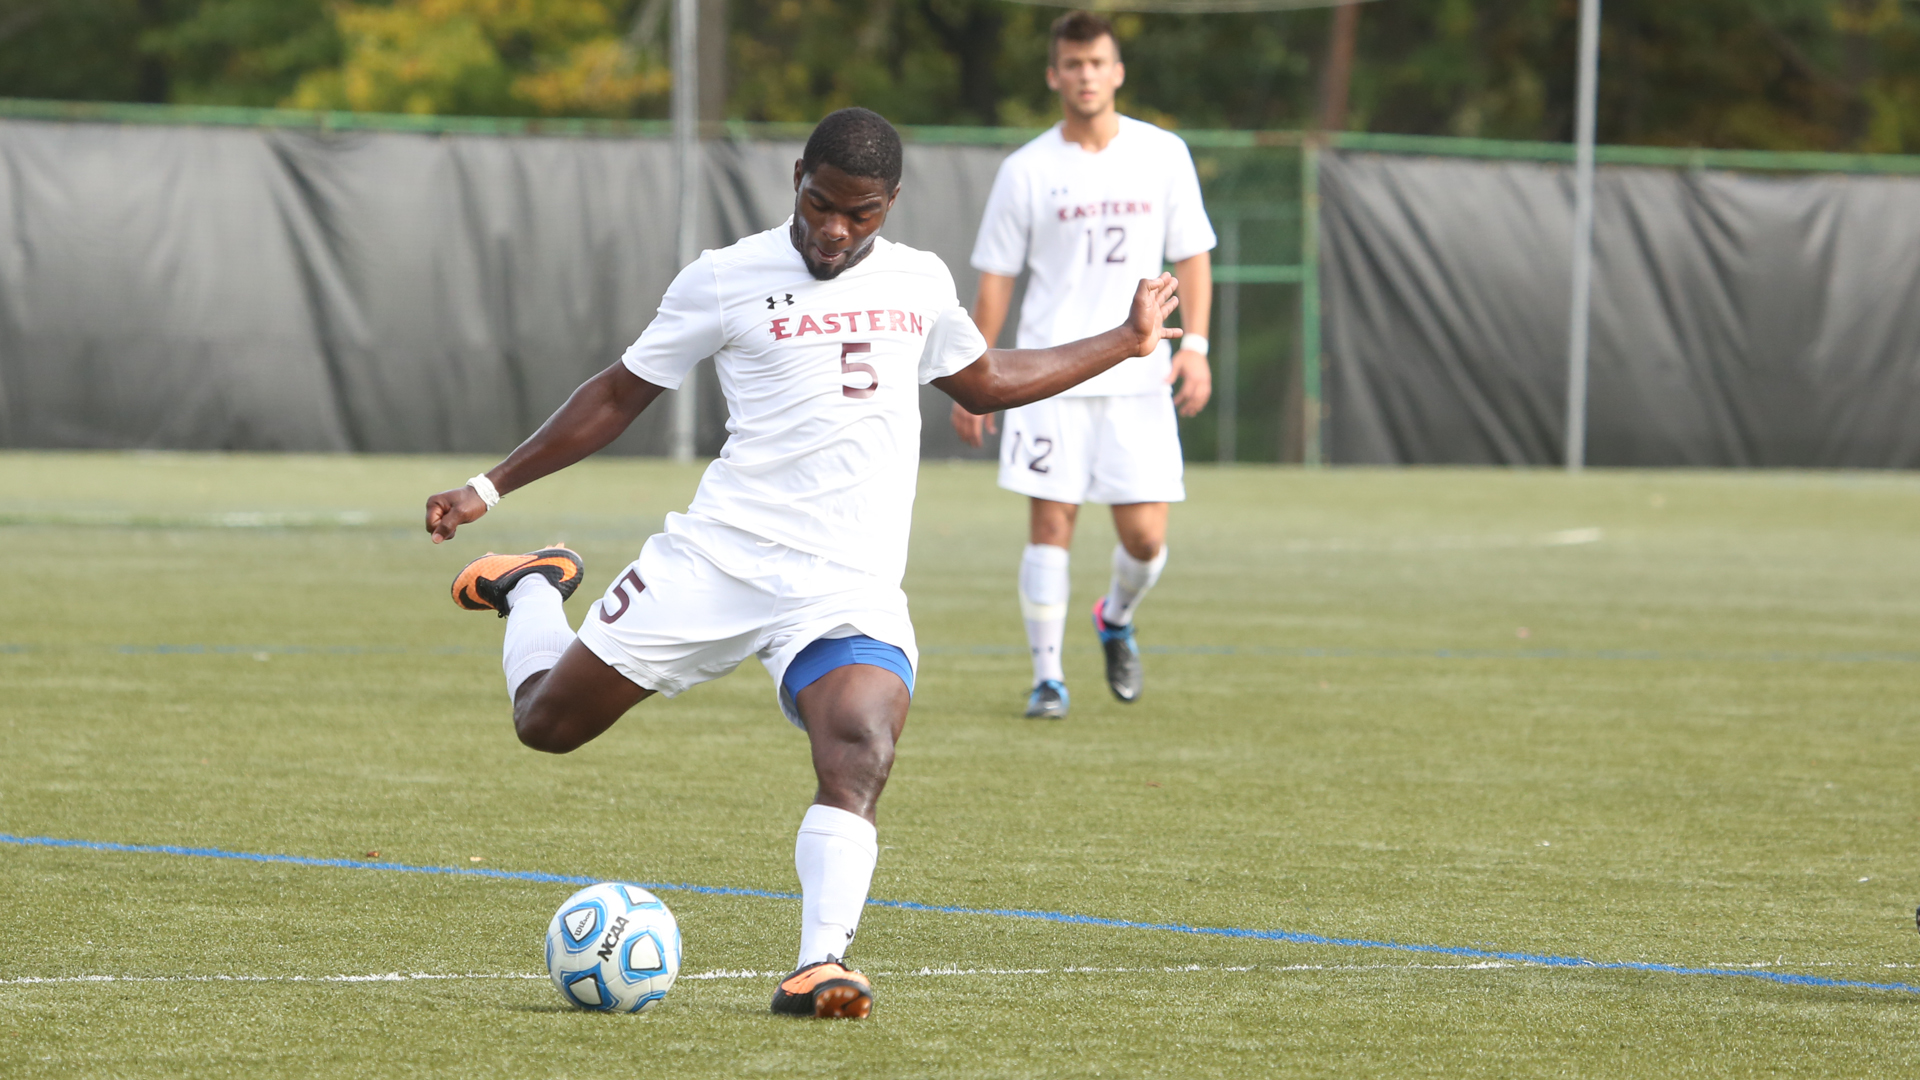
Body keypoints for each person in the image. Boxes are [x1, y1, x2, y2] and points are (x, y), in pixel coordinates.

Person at [422, 108, 1182, 1020]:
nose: (833, 229)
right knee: (546, 725)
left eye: (859, 214)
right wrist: (488, 487)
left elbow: (982, 380)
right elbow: (619, 396)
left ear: (889, 204)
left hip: (843, 583)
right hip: (719, 561)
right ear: (796, 178)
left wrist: (1125, 342)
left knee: (861, 742)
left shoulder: (919, 281)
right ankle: (536, 587)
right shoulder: (725, 278)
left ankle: (818, 966)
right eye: (820, 204)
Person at [952, 10, 1216, 720]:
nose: (1086, 75)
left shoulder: (1163, 154)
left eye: (1097, 62)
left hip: (1139, 377)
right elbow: (996, 282)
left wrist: (1195, 348)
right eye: (1072, 64)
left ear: (1117, 71)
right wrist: (972, 379)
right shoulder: (1026, 170)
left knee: (1147, 540)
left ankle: (1116, 618)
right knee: (1051, 527)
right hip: (1049, 374)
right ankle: (1048, 679)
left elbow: (1193, 256)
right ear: (1054, 75)